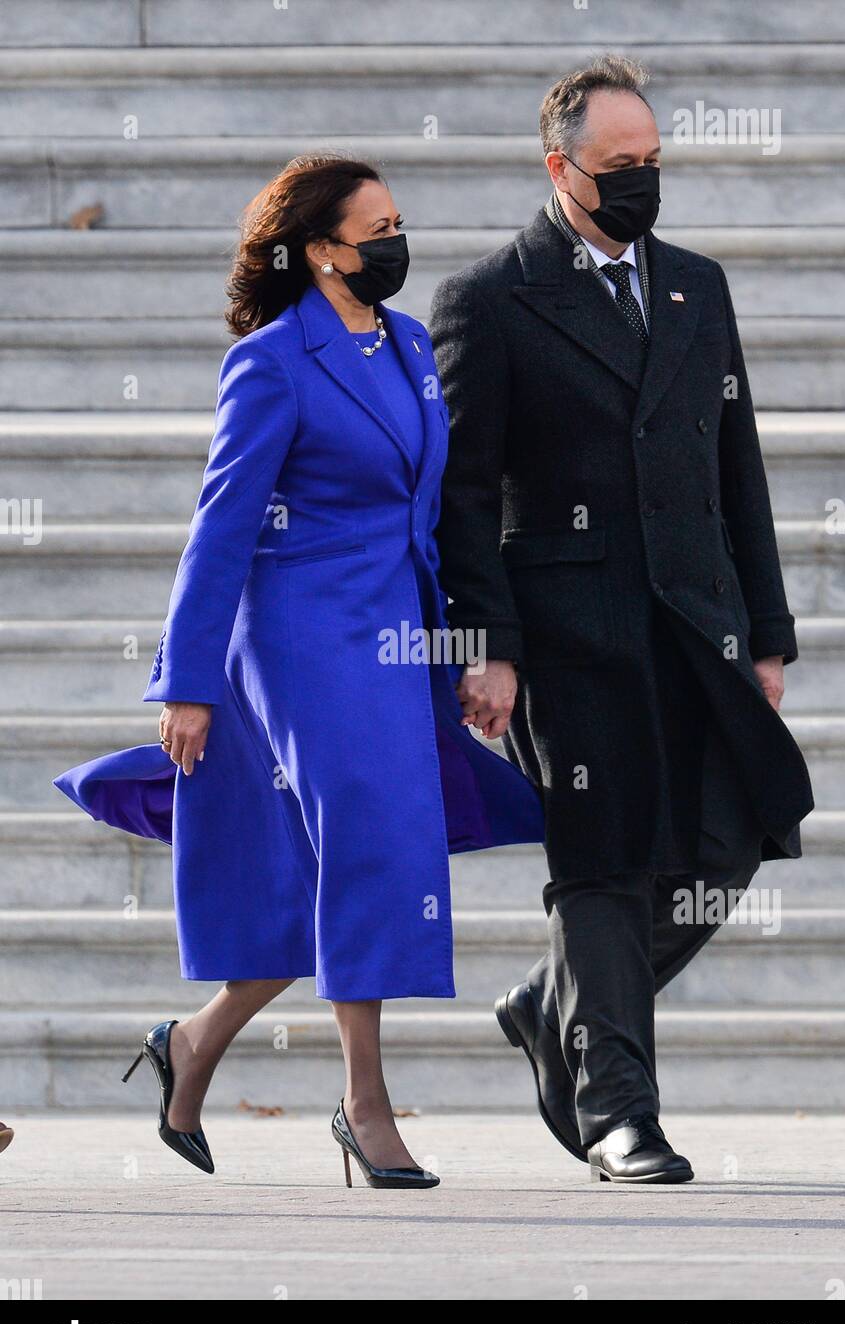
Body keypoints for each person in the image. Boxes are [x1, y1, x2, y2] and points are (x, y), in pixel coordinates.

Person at [55, 153, 543, 1189]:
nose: (394, 242)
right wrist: (184, 681)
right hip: (298, 641)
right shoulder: (274, 361)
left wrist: (468, 645)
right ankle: (364, 1107)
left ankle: (191, 1044)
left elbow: (436, 513)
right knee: (367, 843)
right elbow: (220, 528)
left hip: (395, 636)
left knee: (325, 869)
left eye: (398, 222)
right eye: (376, 227)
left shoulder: (409, 346)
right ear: (321, 249)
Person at [429, 57, 814, 1184]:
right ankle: (618, 1112)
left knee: (735, 831)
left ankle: (559, 1003)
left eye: (654, 161)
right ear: (562, 169)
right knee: (604, 860)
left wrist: (768, 631)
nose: (644, 180)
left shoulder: (698, 285)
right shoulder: (490, 298)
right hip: (568, 628)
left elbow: (733, 465)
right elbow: (463, 495)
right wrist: (487, 647)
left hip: (699, 618)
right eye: (620, 165)